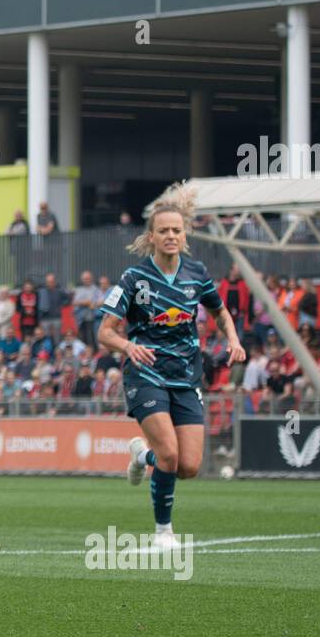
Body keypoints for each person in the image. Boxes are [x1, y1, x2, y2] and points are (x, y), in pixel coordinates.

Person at [98, 184, 245, 549]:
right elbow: (104, 332)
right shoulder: (134, 278)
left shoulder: (196, 273)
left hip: (185, 376)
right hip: (145, 376)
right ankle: (163, 532)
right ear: (151, 237)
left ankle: (140, 455)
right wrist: (129, 346)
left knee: (189, 466)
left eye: (176, 230)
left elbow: (219, 309)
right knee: (169, 454)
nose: (170, 236)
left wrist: (234, 339)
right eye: (163, 230)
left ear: (185, 235)